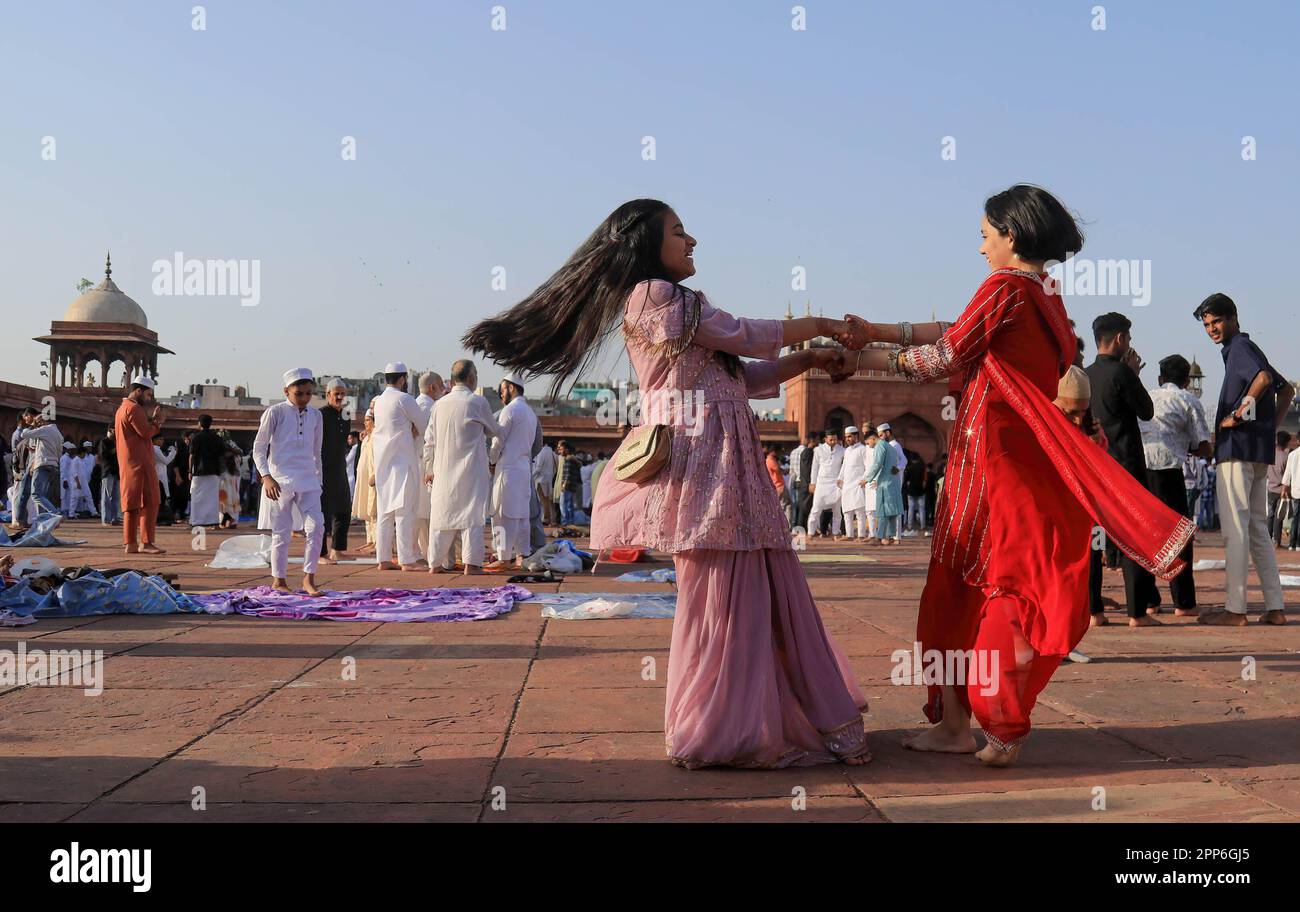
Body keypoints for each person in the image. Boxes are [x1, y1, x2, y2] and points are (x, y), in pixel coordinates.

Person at [465, 198, 870, 769]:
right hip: (706, 462)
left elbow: (746, 373)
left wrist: (808, 358)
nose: (692, 241)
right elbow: (751, 334)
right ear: (646, 246)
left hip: (727, 462)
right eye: (680, 232)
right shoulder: (657, 297)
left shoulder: (681, 307)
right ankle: (717, 727)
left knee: (761, 587)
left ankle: (761, 718)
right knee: (718, 596)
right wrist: (822, 325)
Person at [833, 184, 1191, 765]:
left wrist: (861, 362)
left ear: (1011, 235)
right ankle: (989, 718)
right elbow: (963, 331)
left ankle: (967, 722)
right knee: (1003, 574)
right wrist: (878, 331)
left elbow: (948, 354)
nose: (981, 249)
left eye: (984, 236)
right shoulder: (1046, 296)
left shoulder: (1004, 287)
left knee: (959, 583)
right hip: (1020, 454)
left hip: (985, 456)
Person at [1195, 292, 1293, 626]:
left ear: (1233, 318)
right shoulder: (1247, 349)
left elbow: (1264, 381)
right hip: (1257, 452)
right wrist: (1269, 428)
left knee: (1235, 530)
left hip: (1237, 450)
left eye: (1216, 321)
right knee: (1256, 529)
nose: (1212, 329)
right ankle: (1275, 607)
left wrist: (1237, 415)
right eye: (1207, 325)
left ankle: (1235, 610)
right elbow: (1286, 390)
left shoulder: (1239, 348)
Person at [1087, 312, 1160, 625]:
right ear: (1119, 338)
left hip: (1094, 467)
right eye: (1127, 338)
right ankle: (1136, 613)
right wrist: (1133, 375)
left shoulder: (1084, 374)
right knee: (1132, 535)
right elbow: (1146, 411)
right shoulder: (1122, 373)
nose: (1129, 343)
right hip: (1125, 466)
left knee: (1094, 538)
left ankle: (1095, 612)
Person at [1138, 354, 1211, 619]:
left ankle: (1148, 600)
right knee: (1179, 537)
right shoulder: (1187, 399)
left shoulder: (1146, 396)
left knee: (1145, 536)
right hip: (1169, 473)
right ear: (1186, 381)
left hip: (1141, 473)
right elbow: (1203, 445)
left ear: (1160, 378)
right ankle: (1184, 602)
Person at [423, 359, 500, 574]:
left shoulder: (439, 404)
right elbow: (494, 430)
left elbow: (429, 441)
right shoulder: (477, 402)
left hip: (443, 471)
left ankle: (435, 564)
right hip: (471, 471)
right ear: (472, 377)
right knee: (472, 517)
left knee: (442, 516)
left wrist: (428, 469)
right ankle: (472, 564)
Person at [253, 369, 325, 595]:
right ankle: (279, 581)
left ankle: (309, 579)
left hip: (309, 480)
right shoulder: (275, 413)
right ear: (286, 391)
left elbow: (317, 452)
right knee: (281, 532)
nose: (304, 398)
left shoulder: (316, 415)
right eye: (299, 393)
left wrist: (319, 481)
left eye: (308, 394)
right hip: (280, 480)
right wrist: (266, 477)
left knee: (317, 527)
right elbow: (259, 448)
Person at [370, 362, 430, 570]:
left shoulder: (378, 401)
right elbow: (424, 426)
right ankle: (406, 560)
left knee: (385, 513)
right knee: (404, 511)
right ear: (403, 379)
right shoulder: (404, 399)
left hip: (383, 462)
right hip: (402, 462)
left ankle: (383, 558)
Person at [488, 375, 539, 569]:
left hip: (508, 469)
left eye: (502, 390)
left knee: (502, 514)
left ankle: (503, 558)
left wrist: (491, 461)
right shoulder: (530, 412)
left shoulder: (509, 410)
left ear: (511, 388)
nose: (501, 394)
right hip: (524, 469)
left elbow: (498, 441)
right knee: (521, 516)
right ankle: (522, 555)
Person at [114, 376, 167, 555]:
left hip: (128, 461)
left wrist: (151, 420)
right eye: (148, 394)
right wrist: (157, 423)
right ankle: (146, 542)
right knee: (150, 501)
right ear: (138, 390)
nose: (149, 398)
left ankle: (130, 543)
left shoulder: (122, 408)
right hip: (140, 462)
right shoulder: (134, 408)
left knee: (131, 502)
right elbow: (145, 433)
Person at [318, 377, 354, 563]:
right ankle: (320, 553)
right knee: (322, 512)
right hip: (322, 468)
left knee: (343, 509)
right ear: (328, 395)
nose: (339, 396)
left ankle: (337, 549)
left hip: (340, 467)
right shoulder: (320, 415)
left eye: (342, 393)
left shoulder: (347, 414)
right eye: (336, 393)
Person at [10, 408, 63, 531]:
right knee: (41, 495)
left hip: (40, 464)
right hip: (53, 465)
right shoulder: (58, 432)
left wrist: (34, 425)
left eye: (28, 416)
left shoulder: (43, 430)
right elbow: (59, 452)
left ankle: (55, 515)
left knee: (35, 494)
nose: (27, 419)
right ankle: (46, 522)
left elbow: (25, 435)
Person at [414, 371, 446, 558]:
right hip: (426, 465)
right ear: (433, 387)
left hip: (418, 463)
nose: (443, 390)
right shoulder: (432, 407)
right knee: (426, 515)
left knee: (420, 513)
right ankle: (427, 554)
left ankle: (423, 552)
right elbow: (431, 441)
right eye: (441, 386)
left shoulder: (416, 405)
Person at [863, 424, 901, 544]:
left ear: (873, 438)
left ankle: (880, 537)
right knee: (890, 511)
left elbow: (877, 464)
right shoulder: (890, 447)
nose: (869, 445)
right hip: (892, 482)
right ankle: (889, 536)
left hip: (885, 483)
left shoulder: (880, 446)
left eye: (868, 443)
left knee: (882, 510)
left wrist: (867, 479)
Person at [188, 415, 225, 528]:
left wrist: (189, 471)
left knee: (196, 497)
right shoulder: (217, 437)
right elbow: (222, 454)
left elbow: (191, 456)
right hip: (214, 471)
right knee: (213, 498)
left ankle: (195, 522)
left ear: (199, 423)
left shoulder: (196, 437)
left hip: (199, 471)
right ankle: (214, 523)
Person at [808, 429, 844, 538]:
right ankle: (811, 531)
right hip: (821, 482)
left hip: (836, 482)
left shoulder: (842, 450)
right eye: (831, 439)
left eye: (835, 439)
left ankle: (836, 532)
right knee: (816, 508)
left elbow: (844, 466)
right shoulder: (818, 450)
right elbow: (815, 467)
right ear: (825, 439)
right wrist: (812, 483)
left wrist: (842, 479)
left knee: (837, 510)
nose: (833, 441)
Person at [351, 408, 378, 553]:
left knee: (374, 510)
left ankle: (378, 543)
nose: (365, 423)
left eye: (368, 420)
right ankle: (370, 540)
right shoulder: (367, 437)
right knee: (366, 510)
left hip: (373, 478)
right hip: (364, 478)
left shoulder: (377, 437)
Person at [837, 426, 870, 540]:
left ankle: (861, 535)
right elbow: (844, 466)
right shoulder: (847, 450)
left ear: (856, 436)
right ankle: (849, 535)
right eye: (846, 437)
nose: (847, 439)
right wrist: (840, 477)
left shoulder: (863, 449)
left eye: (849, 436)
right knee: (847, 511)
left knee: (860, 511)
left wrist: (865, 479)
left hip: (858, 484)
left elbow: (868, 466)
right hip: (847, 485)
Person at [1267, 432, 1295, 547]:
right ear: (1286, 443)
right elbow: (1288, 475)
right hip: (1282, 490)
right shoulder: (1286, 457)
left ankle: (1268, 539)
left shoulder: (1269, 455)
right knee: (1279, 516)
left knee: (1271, 515)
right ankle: (1277, 541)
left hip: (1271, 488)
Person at [97, 429, 120, 525]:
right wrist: (115, 450)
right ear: (110, 430)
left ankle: (114, 518)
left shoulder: (117, 442)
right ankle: (106, 519)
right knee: (106, 496)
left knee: (116, 497)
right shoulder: (104, 442)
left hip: (117, 472)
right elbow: (103, 455)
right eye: (114, 430)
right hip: (108, 472)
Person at [556, 440, 581, 526]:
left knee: (563, 505)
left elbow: (567, 474)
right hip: (572, 487)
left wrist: (564, 485)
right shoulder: (573, 459)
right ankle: (571, 522)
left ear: (566, 449)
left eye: (561, 449)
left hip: (567, 487)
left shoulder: (568, 460)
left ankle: (565, 522)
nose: (559, 451)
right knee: (570, 505)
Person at [533, 438, 557, 526]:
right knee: (548, 500)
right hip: (549, 480)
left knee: (543, 501)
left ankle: (546, 519)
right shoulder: (554, 454)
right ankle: (551, 518)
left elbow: (538, 467)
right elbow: (555, 469)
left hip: (541, 480)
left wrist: (531, 476)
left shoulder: (541, 452)